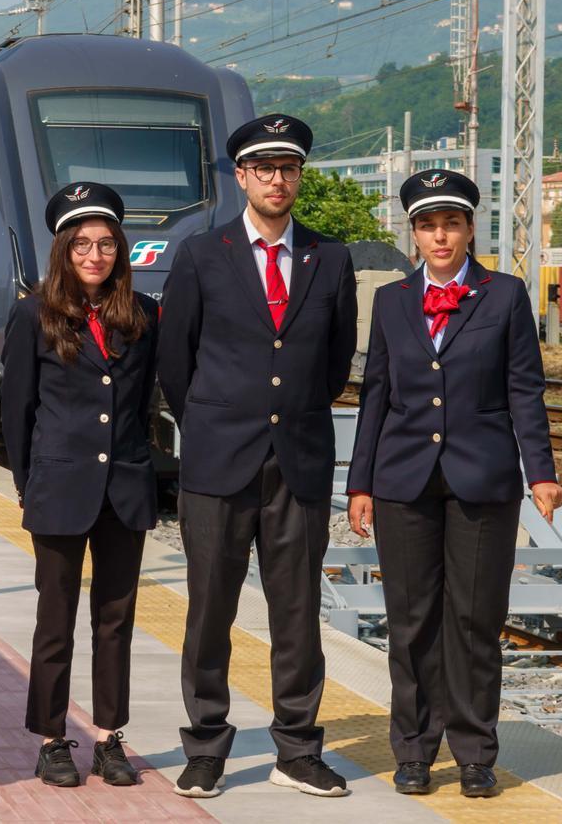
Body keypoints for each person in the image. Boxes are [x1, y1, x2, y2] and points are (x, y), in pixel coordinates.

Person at [346, 169, 562, 798]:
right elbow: (377, 397)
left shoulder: (505, 295)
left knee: (474, 620)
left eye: (450, 223)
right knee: (410, 621)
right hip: (402, 480)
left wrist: (541, 471)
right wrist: (361, 481)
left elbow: (525, 388)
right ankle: (413, 750)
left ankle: (474, 753)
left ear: (471, 228)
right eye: (426, 225)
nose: (439, 237)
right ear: (411, 233)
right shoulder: (391, 301)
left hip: (484, 478)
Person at [158, 114, 357, 799]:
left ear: (299, 176)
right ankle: (207, 745)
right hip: (218, 461)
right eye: (264, 168)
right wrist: (214, 423)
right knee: (209, 608)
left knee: (297, 612)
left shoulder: (330, 258)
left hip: (297, 461)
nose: (278, 180)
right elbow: (173, 360)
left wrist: (285, 418)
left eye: (289, 168)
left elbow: (333, 364)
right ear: (241, 176)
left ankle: (297, 748)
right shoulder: (200, 253)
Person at [0, 181, 161, 788]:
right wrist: (28, 484)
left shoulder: (145, 314)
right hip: (59, 490)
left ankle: (110, 737)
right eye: (83, 245)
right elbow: (18, 413)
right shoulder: (32, 313)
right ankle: (51, 738)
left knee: (116, 621)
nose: (96, 255)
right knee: (56, 619)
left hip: (124, 490)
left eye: (107, 244)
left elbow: (143, 402)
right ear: (64, 251)